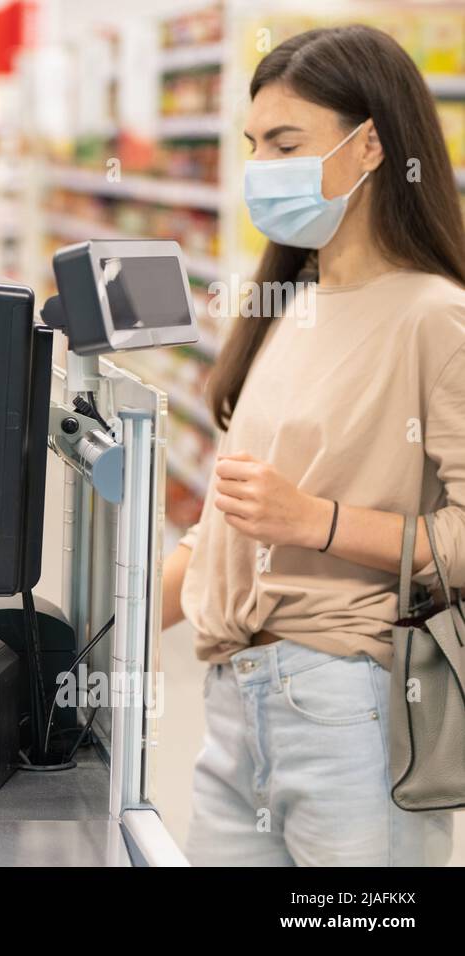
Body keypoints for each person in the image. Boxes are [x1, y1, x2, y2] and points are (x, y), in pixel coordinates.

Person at [163, 25, 464, 865]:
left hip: (351, 708)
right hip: (233, 706)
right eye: (254, 144)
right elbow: (234, 520)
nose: (262, 166)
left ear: (371, 144)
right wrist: (90, 627)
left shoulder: (434, 317)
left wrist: (319, 522)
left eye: (286, 143)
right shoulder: (290, 305)